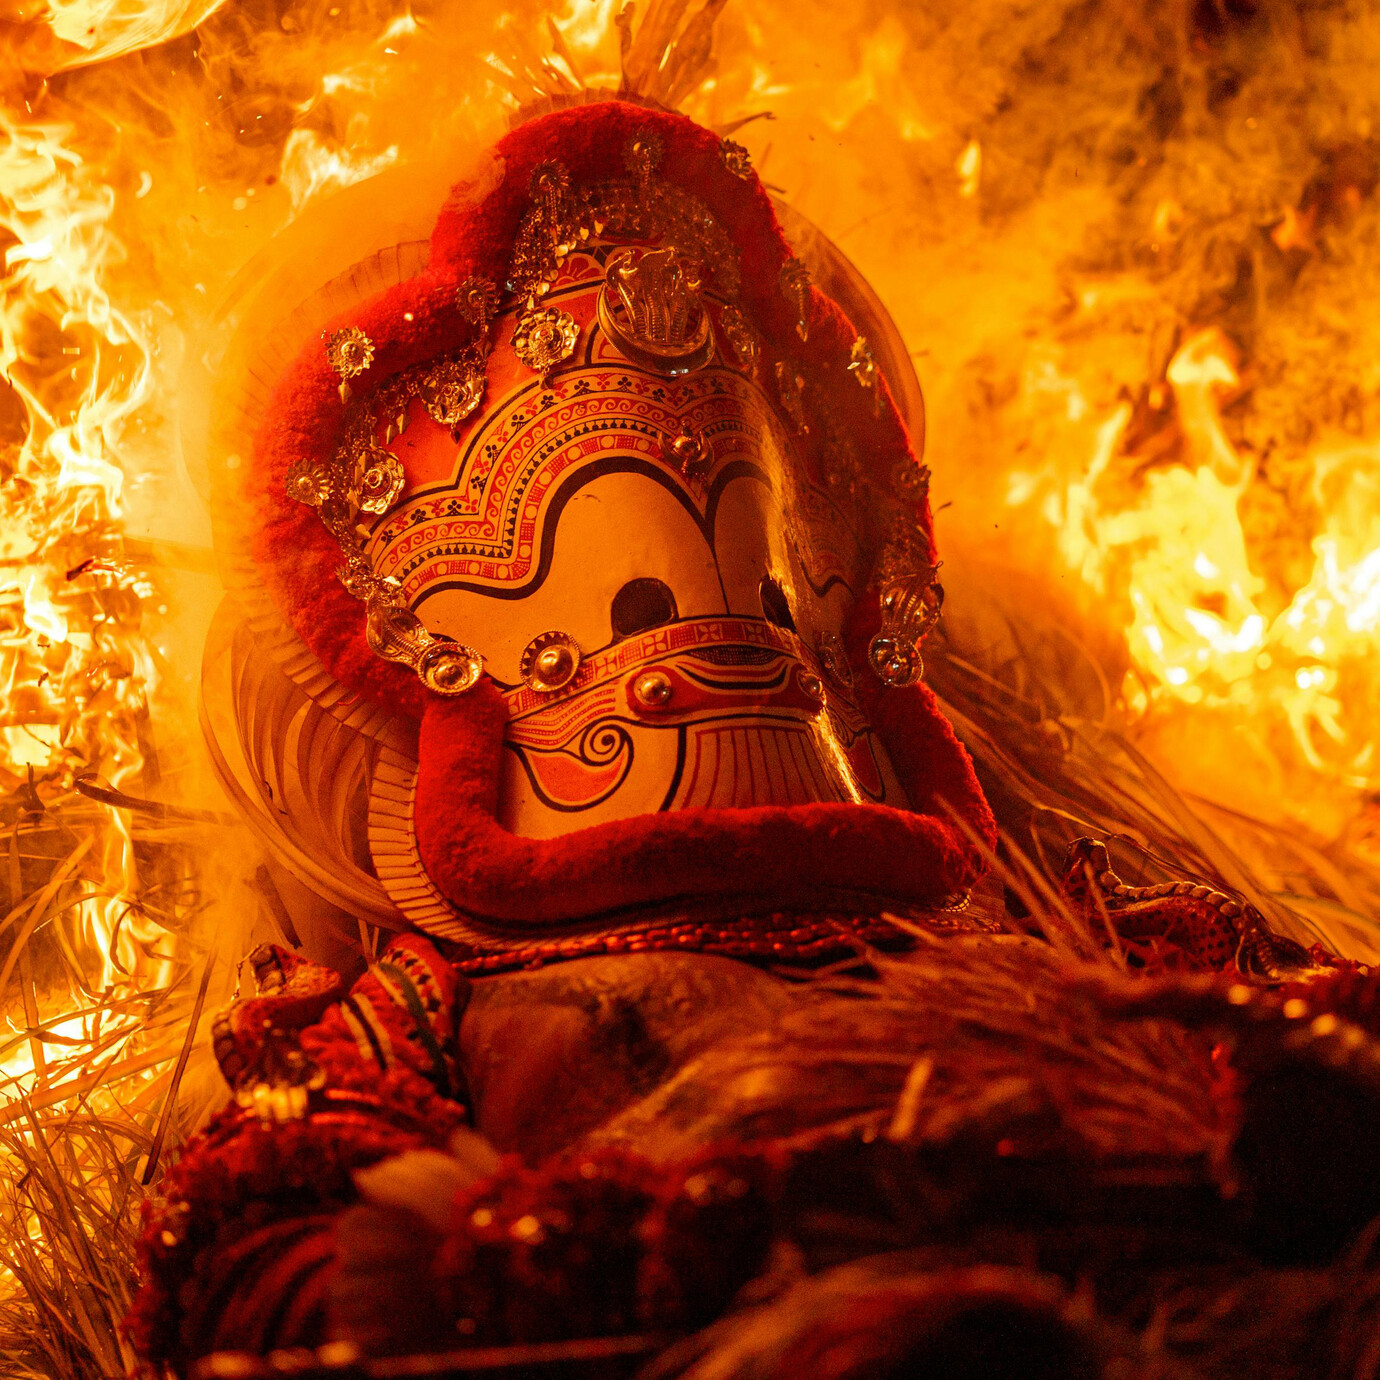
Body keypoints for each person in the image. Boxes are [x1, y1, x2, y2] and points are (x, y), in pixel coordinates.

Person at [130, 95, 1380, 1380]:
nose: (693, 597)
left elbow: (1313, 1039)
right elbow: (250, 1268)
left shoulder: (1074, 933)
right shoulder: (412, 1015)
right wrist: (637, 1250)